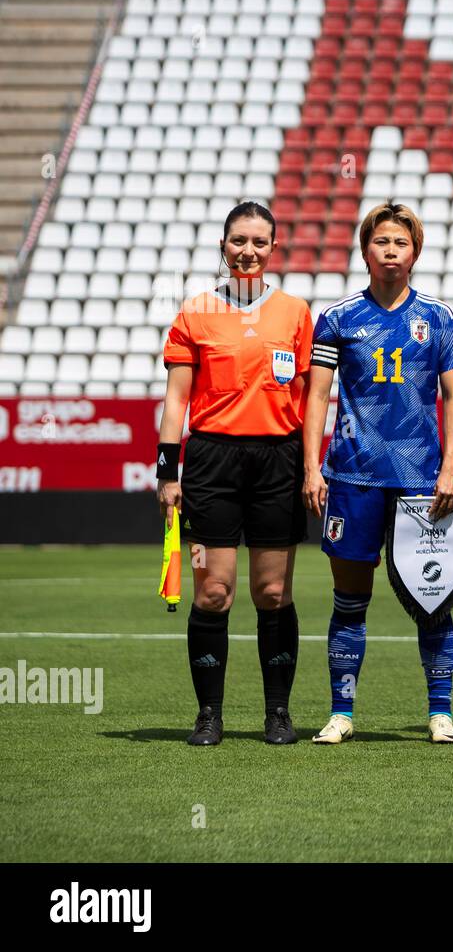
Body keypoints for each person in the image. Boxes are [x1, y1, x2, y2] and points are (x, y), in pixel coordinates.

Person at [303, 202, 453, 745]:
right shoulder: (337, 318)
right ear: (366, 250)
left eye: (401, 243)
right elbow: (317, 395)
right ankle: (341, 712)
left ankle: (439, 712)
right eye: (382, 243)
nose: (391, 251)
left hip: (420, 479)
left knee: (433, 598)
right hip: (352, 477)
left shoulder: (441, 318)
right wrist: (312, 467)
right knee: (349, 599)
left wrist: (450, 467)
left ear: (415, 252)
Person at [158, 201, 313, 746]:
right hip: (212, 464)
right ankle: (209, 714)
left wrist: (310, 466)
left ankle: (278, 713)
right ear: (223, 246)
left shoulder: (295, 312)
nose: (248, 251)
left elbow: (309, 397)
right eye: (238, 241)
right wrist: (166, 472)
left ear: (274, 248)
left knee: (272, 592)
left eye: (259, 242)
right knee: (214, 593)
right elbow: (177, 400)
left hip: (277, 460)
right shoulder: (196, 312)